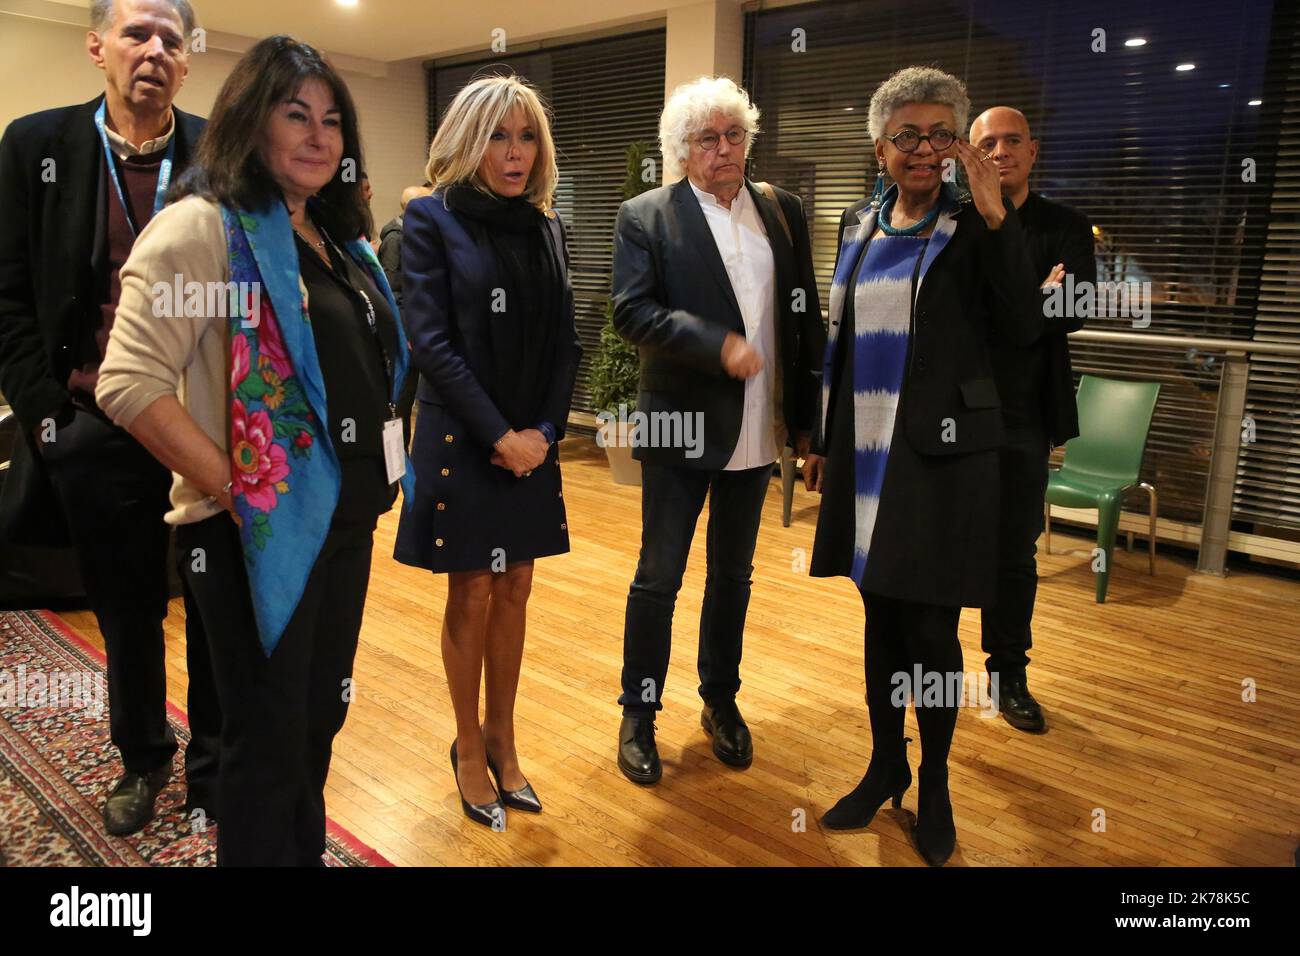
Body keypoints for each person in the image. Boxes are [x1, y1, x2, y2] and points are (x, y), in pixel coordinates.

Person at [96, 35, 413, 866]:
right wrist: (239, 488)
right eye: (294, 114)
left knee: (313, 726)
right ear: (250, 122)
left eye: (332, 121)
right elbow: (127, 382)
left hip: (343, 526)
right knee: (267, 743)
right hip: (251, 539)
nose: (317, 135)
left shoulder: (336, 241)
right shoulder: (201, 229)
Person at [808, 67, 1043, 865]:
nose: (923, 149)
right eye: (906, 134)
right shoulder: (858, 221)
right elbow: (836, 344)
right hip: (866, 452)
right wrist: (821, 439)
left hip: (943, 455)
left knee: (934, 631)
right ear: (880, 147)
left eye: (941, 133)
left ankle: (935, 781)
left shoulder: (980, 222)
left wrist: (996, 219)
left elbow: (1022, 328)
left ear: (959, 145)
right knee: (879, 619)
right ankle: (885, 765)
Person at [0, 0, 219, 836]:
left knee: (212, 602)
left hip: (200, 427)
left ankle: (212, 766)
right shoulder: (37, 146)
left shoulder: (216, 153)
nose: (154, 50)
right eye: (137, 33)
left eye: (172, 38)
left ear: (189, 58)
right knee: (127, 610)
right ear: (98, 48)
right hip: (94, 425)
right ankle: (142, 757)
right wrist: (50, 415)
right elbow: (9, 293)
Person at [611, 76, 826, 785]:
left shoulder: (782, 210)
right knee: (658, 577)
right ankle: (639, 714)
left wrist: (808, 424)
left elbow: (803, 321)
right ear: (682, 150)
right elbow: (632, 312)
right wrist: (717, 344)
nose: (725, 148)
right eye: (708, 138)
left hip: (758, 428)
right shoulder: (647, 215)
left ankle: (721, 701)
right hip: (681, 424)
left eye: (735, 135)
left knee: (733, 576)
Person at [393, 75, 581, 830]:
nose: (515, 153)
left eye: (527, 136)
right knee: (471, 589)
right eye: (499, 136)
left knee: (516, 587)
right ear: (467, 143)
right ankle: (467, 745)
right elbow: (431, 343)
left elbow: (566, 339)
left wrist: (544, 432)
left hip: (530, 442)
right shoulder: (429, 220)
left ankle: (505, 739)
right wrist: (498, 435)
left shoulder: (547, 225)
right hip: (460, 440)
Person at [969, 106, 1096, 733]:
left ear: (1033, 150)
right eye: (986, 143)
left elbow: (1069, 311)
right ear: (970, 155)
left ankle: (1008, 675)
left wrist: (1024, 307)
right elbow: (963, 314)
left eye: (1011, 141)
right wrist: (1033, 295)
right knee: (941, 540)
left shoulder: (1066, 226)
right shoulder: (955, 224)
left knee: (1015, 552)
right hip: (952, 411)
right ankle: (927, 668)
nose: (999, 152)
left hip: (1024, 415)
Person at [379, 184, 434, 447]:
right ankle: (396, 461)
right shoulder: (396, 239)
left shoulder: (417, 237)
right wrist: (407, 332)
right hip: (406, 337)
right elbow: (393, 291)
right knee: (400, 402)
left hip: (419, 333)